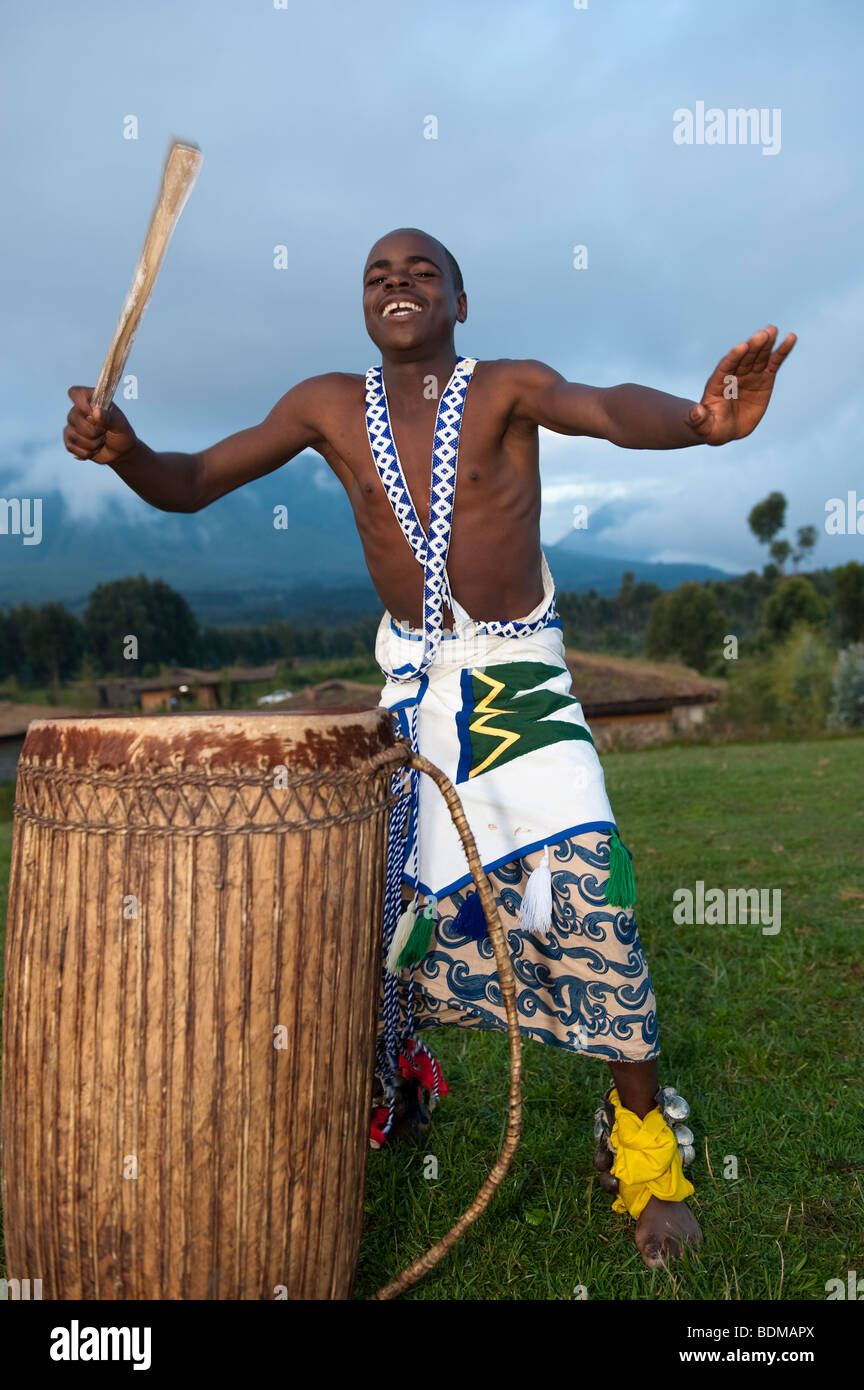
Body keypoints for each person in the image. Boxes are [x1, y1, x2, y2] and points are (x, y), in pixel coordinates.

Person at [63, 226, 795, 1267]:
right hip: (417, 691)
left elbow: (604, 405)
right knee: (386, 927)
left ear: (459, 297)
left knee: (594, 890)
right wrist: (125, 451)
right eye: (377, 275)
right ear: (362, 306)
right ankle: (391, 1099)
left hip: (523, 688)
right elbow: (189, 480)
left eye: (420, 273)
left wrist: (699, 422)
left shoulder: (505, 387)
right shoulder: (326, 404)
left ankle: (645, 1154)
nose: (397, 284)